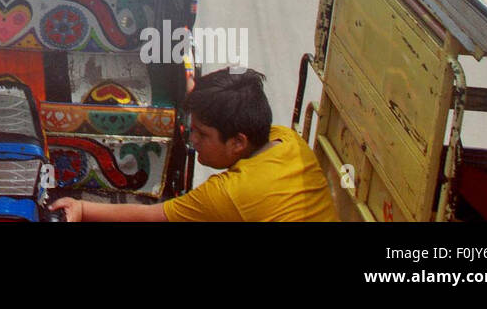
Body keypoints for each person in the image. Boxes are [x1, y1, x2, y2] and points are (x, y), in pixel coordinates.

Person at [50, 69, 338, 222]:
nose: (193, 140)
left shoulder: (229, 194)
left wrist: (83, 209)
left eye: (202, 133)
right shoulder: (288, 140)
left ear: (238, 141)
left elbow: (153, 216)